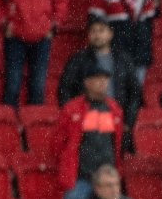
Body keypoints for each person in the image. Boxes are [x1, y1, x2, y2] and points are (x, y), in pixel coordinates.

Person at [53, 65, 123, 199]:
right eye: (98, 79)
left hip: (106, 180)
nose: (103, 84)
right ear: (87, 82)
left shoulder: (114, 110)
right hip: (80, 178)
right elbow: (58, 144)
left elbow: (116, 144)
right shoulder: (72, 109)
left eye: (105, 79)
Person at [57, 17, 141, 153]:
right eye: (93, 31)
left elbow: (135, 92)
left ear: (110, 34)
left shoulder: (123, 59)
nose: (97, 35)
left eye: (101, 31)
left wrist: (128, 122)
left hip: (116, 120)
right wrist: (73, 117)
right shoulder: (78, 59)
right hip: (86, 121)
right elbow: (64, 90)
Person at [0, 0, 68, 108]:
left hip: (41, 37)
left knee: (37, 88)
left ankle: (34, 125)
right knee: (12, 87)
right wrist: (3, 23)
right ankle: (9, 125)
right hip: (15, 36)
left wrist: (55, 24)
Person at [89, 0, 158, 82]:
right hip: (113, 57)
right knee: (112, 93)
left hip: (139, 56)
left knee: (135, 93)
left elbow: (148, 23)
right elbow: (94, 22)